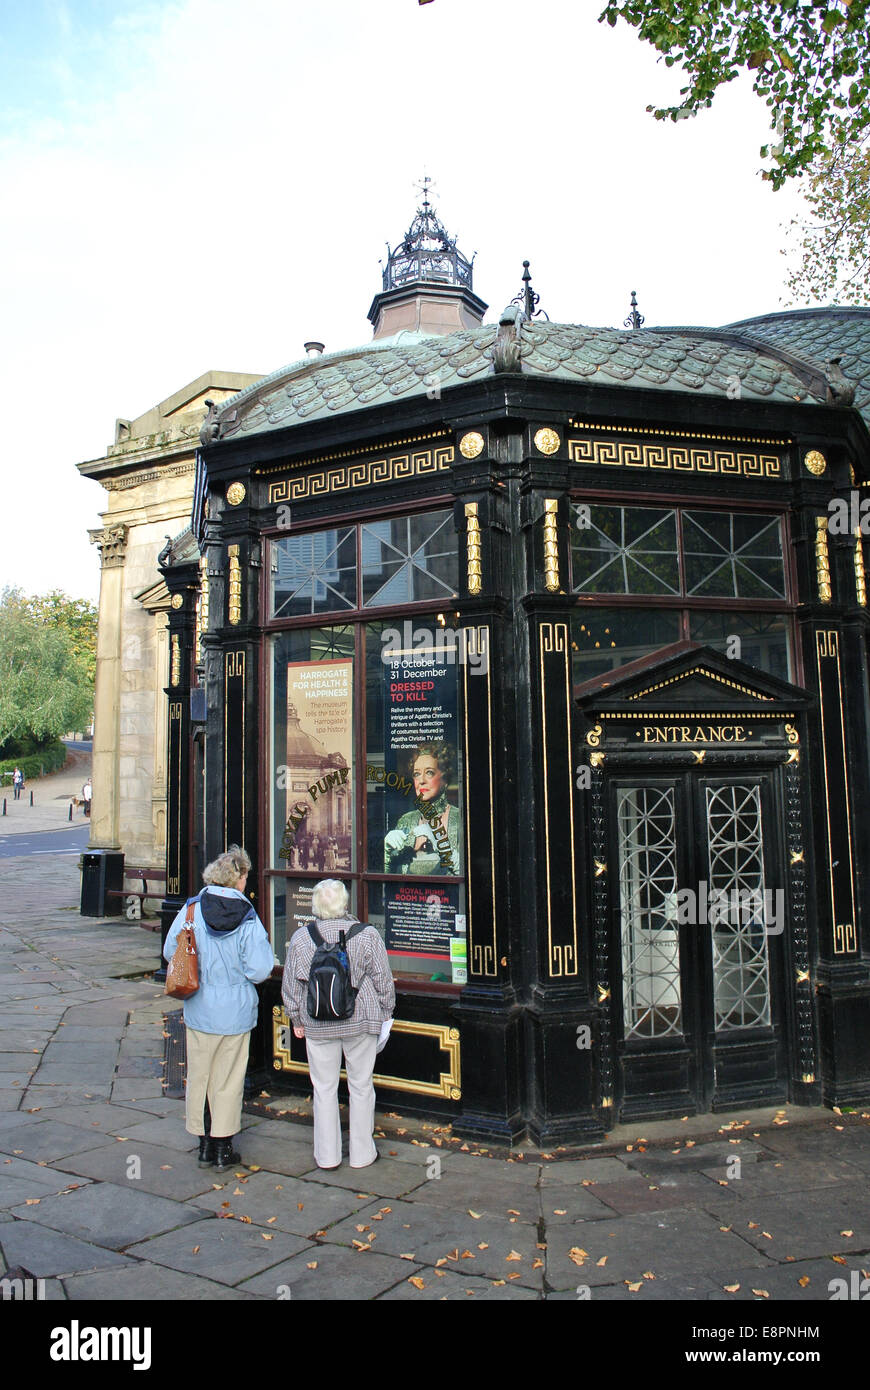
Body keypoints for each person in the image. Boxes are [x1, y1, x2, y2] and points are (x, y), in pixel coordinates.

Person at [163, 845, 275, 1171]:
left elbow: (171, 951)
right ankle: (224, 1148)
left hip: (200, 1007)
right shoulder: (248, 916)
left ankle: (203, 1146)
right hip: (236, 1011)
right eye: (245, 877)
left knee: (199, 1076)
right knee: (228, 1080)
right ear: (238, 878)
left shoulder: (191, 910)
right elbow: (259, 970)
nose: (246, 882)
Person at [282, 879, 394, 1169]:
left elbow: (291, 985)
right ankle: (362, 1154)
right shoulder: (367, 934)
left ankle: (327, 1157)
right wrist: (386, 1011)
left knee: (323, 1089)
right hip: (361, 1020)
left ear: (315, 905)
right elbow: (383, 979)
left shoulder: (301, 938)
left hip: (318, 1021)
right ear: (345, 903)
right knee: (361, 1086)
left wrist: (296, 1018)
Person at [383, 741, 462, 875]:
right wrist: (387, 855)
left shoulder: (459, 819)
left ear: (445, 779)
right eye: (416, 774)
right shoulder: (406, 821)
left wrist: (444, 848)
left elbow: (469, 876)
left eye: (429, 772)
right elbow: (389, 879)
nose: (421, 780)